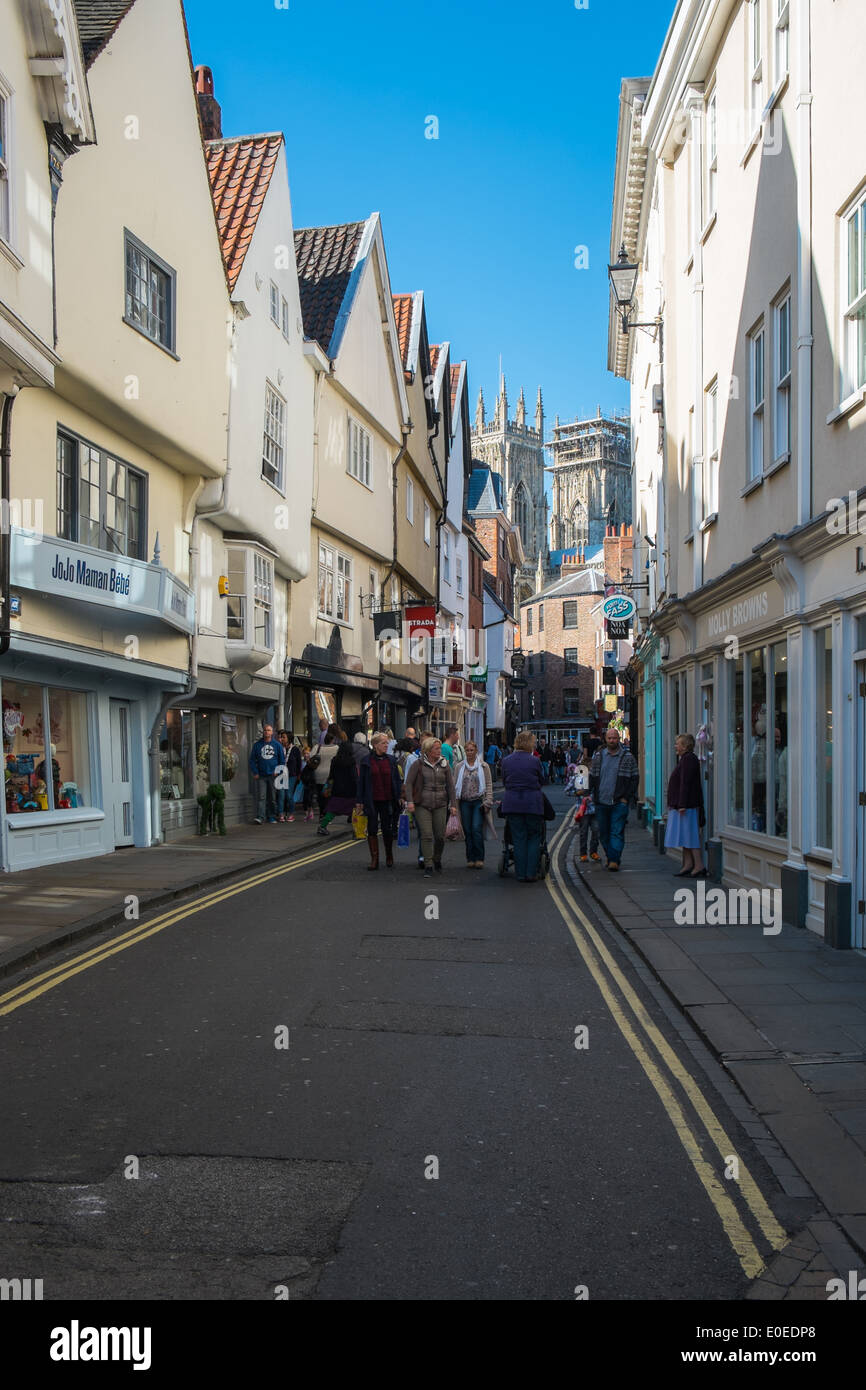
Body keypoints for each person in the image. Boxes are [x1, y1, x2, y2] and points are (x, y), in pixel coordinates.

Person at [405, 737, 457, 878]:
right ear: (428, 750)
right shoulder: (418, 764)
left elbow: (451, 786)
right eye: (436, 749)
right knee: (427, 835)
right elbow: (408, 783)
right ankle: (428, 865)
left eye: (440, 748)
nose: (439, 751)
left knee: (440, 836)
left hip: (440, 804)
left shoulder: (444, 764)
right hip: (422, 804)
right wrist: (409, 801)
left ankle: (437, 858)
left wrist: (453, 804)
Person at [589, 726, 639, 871]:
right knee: (603, 834)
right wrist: (587, 793)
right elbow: (592, 776)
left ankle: (614, 860)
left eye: (615, 738)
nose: (612, 740)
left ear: (619, 739)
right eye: (610, 738)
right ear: (605, 739)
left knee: (616, 832)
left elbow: (635, 779)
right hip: (601, 802)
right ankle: (612, 857)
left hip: (619, 802)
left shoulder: (628, 757)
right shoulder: (599, 756)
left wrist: (626, 798)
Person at [501, 731, 545, 882]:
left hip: (512, 803)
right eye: (533, 742)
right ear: (529, 743)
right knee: (533, 837)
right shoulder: (535, 761)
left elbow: (504, 781)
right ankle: (530, 873)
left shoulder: (506, 761)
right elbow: (542, 780)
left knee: (519, 838)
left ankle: (520, 873)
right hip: (532, 803)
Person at [358, 731, 404, 869]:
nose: (387, 745)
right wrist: (359, 802)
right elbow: (361, 783)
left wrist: (400, 796)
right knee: (372, 829)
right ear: (375, 745)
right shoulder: (366, 761)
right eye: (384, 743)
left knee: (387, 829)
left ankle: (389, 855)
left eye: (387, 742)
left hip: (388, 799)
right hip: (371, 800)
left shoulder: (391, 760)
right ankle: (374, 859)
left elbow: (396, 779)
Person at [664, 733, 706, 876]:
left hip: (686, 806)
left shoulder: (689, 760)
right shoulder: (686, 759)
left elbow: (685, 783)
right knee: (684, 835)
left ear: (685, 746)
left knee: (690, 835)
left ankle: (698, 865)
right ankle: (688, 864)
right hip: (682, 805)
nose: (675, 746)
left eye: (678, 744)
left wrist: (682, 804)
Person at [455, 739, 493, 868]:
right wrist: (453, 805)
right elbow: (455, 786)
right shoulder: (459, 766)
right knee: (467, 830)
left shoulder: (484, 766)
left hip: (478, 802)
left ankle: (479, 858)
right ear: (464, 751)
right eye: (467, 750)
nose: (470, 752)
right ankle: (470, 858)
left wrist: (488, 801)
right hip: (464, 802)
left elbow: (488, 784)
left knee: (476, 829)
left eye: (472, 750)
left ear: (476, 751)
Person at [318, 736, 359, 836]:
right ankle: (357, 830)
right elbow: (354, 777)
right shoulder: (352, 761)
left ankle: (322, 826)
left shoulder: (335, 760)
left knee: (332, 810)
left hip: (337, 789)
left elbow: (331, 775)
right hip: (350, 790)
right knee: (355, 811)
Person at [249, 722, 286, 824]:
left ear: (272, 732)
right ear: (263, 732)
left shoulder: (277, 745)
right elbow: (252, 760)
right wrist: (255, 772)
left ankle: (272, 816)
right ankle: (260, 817)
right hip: (261, 775)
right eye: (265, 730)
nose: (267, 732)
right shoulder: (257, 745)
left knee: (272, 798)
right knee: (262, 797)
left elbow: (282, 761)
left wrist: (277, 771)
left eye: (269, 730)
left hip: (273, 775)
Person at [313, 733, 338, 824]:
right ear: (332, 740)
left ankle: (321, 814)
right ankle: (326, 815)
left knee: (320, 797)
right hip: (330, 776)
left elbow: (310, 758)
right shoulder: (336, 749)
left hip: (318, 775)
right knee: (328, 796)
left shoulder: (317, 747)